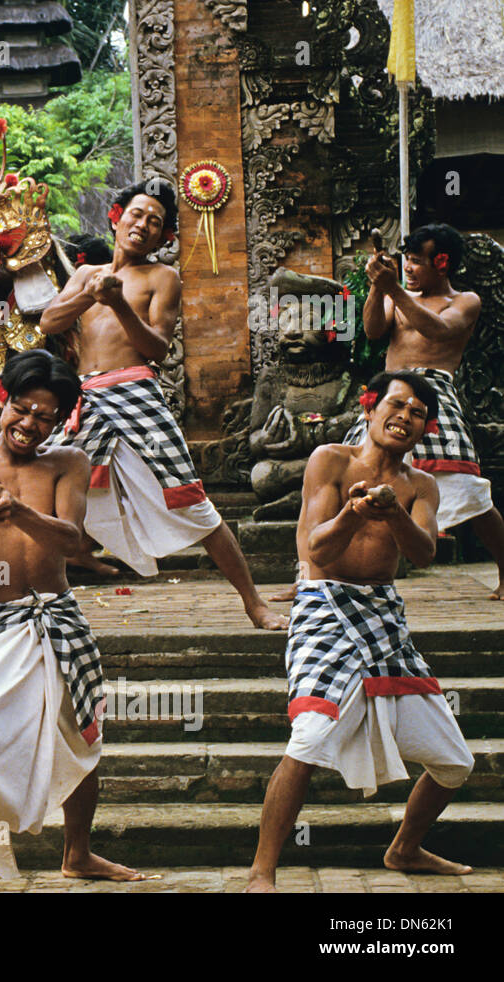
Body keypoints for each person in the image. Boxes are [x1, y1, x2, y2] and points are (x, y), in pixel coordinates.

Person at [0, 350, 143, 891]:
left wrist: (15, 510)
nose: (30, 425)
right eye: (22, 409)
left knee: (82, 737)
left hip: (59, 618)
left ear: (61, 419)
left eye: (46, 417)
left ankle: (78, 854)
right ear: (3, 399)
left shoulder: (66, 462)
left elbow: (74, 540)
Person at [245, 371, 475, 893]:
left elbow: (424, 554)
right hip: (324, 609)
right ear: (370, 410)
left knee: (455, 763)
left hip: (384, 619)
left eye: (418, 413)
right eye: (397, 405)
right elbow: (315, 553)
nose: (406, 417)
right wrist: (353, 511)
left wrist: (394, 513)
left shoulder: (421, 486)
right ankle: (262, 871)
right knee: (309, 737)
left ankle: (405, 848)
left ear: (425, 429)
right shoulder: (330, 460)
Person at [39, 180, 286, 630]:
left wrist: (118, 304)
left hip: (136, 392)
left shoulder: (162, 278)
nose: (143, 225)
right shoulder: (82, 273)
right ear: (117, 217)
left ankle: (255, 604)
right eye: (137, 214)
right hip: (84, 397)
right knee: (40, 489)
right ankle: (35, 604)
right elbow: (49, 321)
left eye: (155, 222)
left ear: (163, 237)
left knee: (190, 499)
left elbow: (156, 348)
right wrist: (91, 290)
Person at [342, 223, 503, 600]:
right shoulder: (397, 294)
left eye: (416, 262)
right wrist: (380, 290)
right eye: (406, 261)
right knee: (351, 475)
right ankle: (314, 574)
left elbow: (438, 331)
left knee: (468, 493)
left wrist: (394, 289)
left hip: (433, 396)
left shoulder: (465, 301)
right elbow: (373, 330)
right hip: (388, 393)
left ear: (442, 264)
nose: (409, 268)